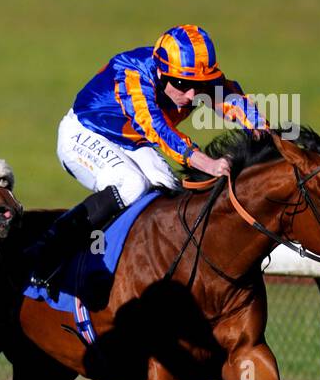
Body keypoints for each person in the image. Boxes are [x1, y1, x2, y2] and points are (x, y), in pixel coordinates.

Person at [26, 24, 269, 287]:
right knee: (131, 185)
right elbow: (156, 128)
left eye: (198, 85)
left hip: (131, 140)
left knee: (168, 191)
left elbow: (231, 99)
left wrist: (264, 132)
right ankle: (45, 253)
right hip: (84, 132)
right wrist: (202, 160)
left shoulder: (191, 80)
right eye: (181, 84)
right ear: (162, 72)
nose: (190, 96)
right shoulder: (132, 73)